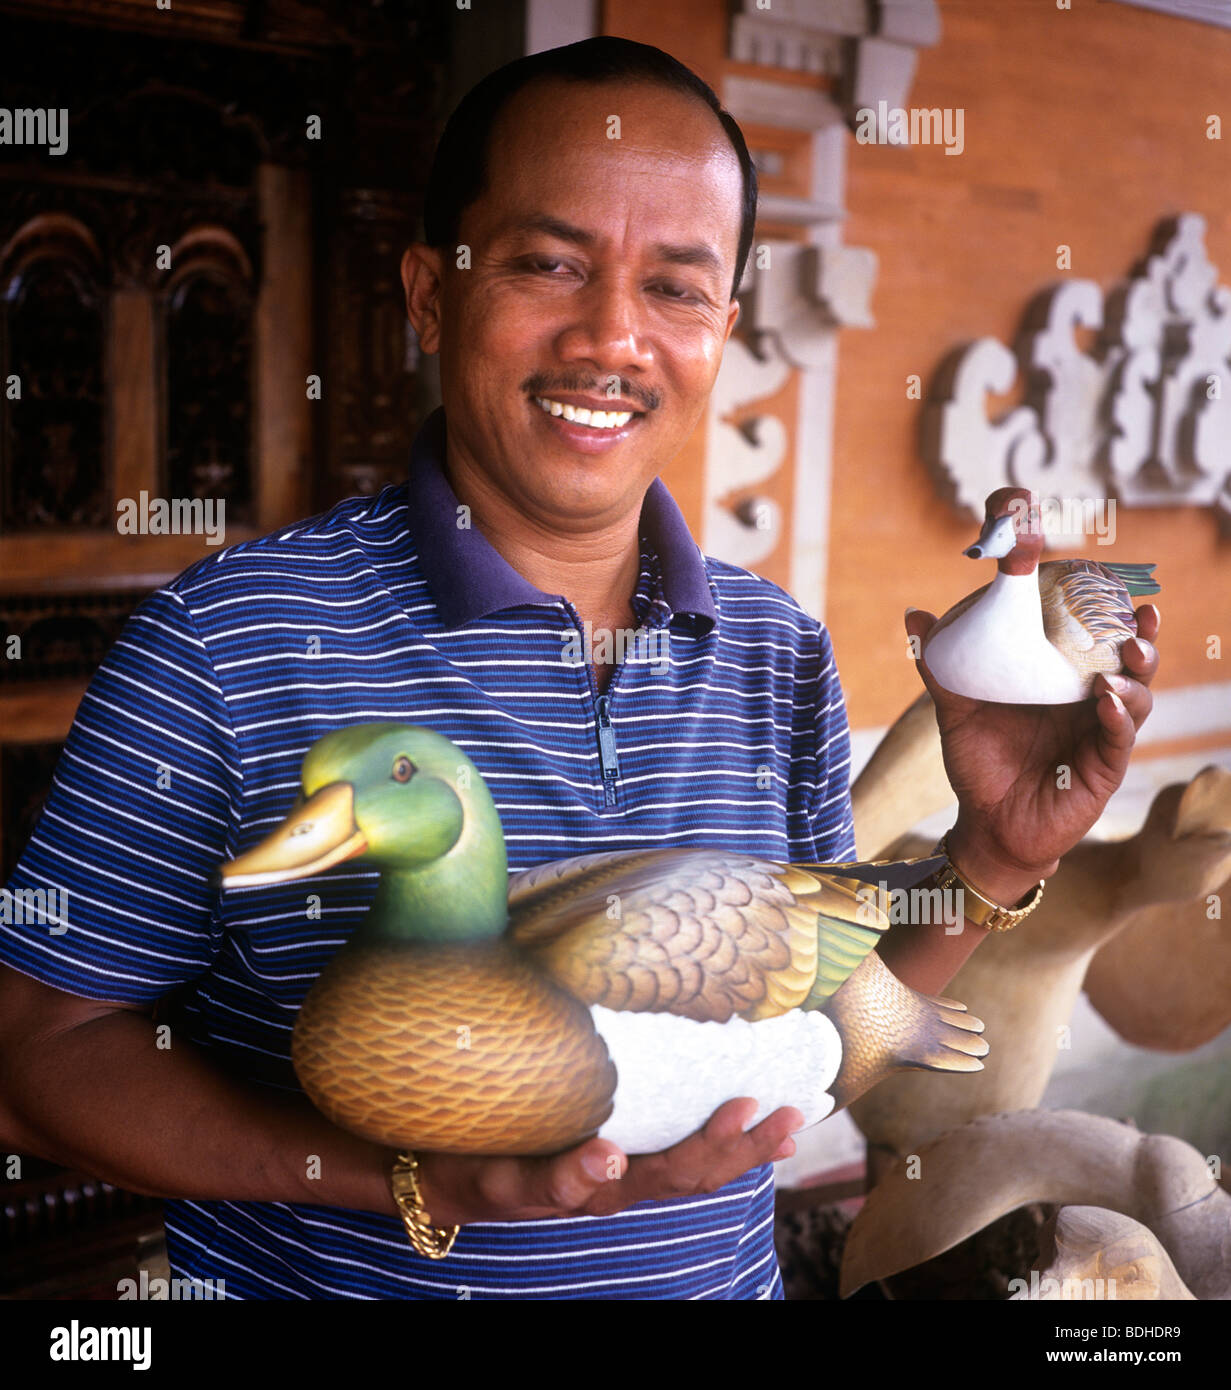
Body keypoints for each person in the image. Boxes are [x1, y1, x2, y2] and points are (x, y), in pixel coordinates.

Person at [0, 37, 1158, 1300]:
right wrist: (399, 1172)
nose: (611, 337)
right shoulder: (227, 642)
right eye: (548, 264)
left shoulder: (777, 647)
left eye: (674, 288)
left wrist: (996, 853)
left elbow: (826, 1014)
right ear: (430, 294)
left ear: (722, 327)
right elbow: (36, 1060)